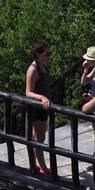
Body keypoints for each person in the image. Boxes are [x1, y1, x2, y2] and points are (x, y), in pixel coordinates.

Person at [24, 43, 53, 176]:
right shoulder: (33, 69)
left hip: (43, 106)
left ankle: (33, 164)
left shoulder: (42, 66)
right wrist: (42, 97)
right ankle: (42, 167)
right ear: (38, 54)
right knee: (39, 139)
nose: (49, 56)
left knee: (38, 137)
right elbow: (28, 92)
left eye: (50, 53)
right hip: (36, 107)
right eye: (47, 54)